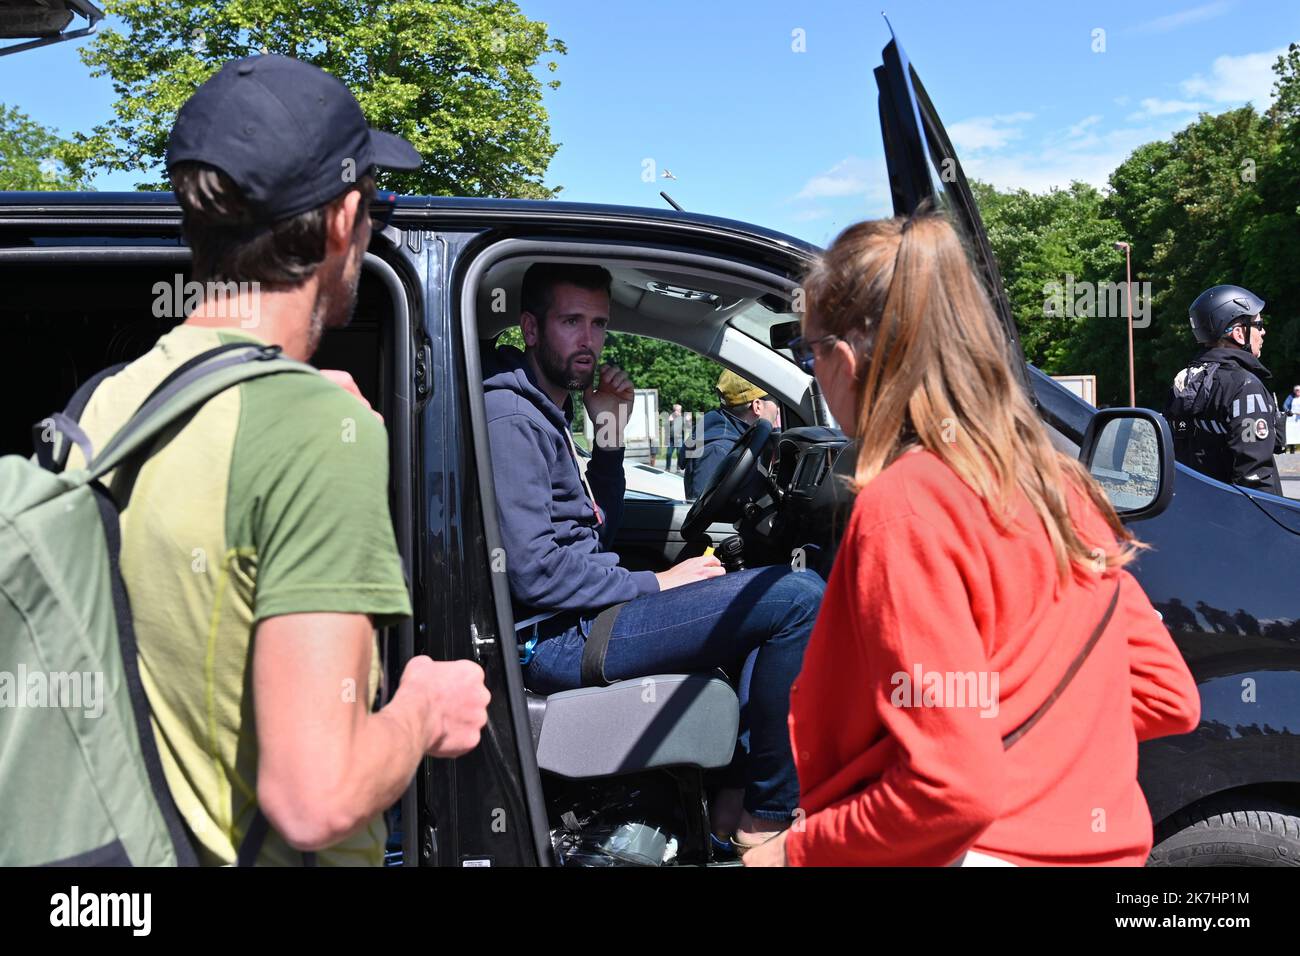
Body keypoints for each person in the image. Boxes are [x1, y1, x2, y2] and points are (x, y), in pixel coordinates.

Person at [66, 55, 489, 865]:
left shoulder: (102, 408)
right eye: (373, 206)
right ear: (339, 222)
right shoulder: (310, 431)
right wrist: (423, 713)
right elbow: (314, 798)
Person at [743, 213, 1200, 867]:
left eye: (807, 349)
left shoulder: (905, 508)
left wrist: (797, 851)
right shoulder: (1059, 487)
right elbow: (1167, 697)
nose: (812, 370)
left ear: (845, 359)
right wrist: (1044, 766)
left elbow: (952, 789)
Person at [483, 262, 825, 852]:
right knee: (795, 598)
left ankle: (728, 805)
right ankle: (765, 818)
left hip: (576, 621)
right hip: (554, 639)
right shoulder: (511, 416)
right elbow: (536, 570)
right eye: (571, 321)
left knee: (757, 601)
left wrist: (608, 438)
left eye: (598, 323)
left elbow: (591, 534)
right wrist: (657, 585)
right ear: (532, 329)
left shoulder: (544, 406)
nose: (589, 339)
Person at [1164, 285, 1285, 494]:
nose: (1263, 331)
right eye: (1258, 324)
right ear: (1239, 333)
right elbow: (1254, 475)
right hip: (1240, 518)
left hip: (1194, 507)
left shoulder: (1185, 380)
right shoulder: (1245, 386)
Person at [683, 370, 781, 498]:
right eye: (776, 401)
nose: (778, 409)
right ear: (757, 406)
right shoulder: (717, 450)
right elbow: (705, 511)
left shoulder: (736, 437)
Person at [664, 403, 686, 471]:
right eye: (677, 410)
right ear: (674, 411)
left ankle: (678, 467)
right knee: (668, 453)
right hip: (671, 439)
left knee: (679, 453)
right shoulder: (670, 418)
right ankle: (668, 468)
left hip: (679, 439)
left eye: (680, 410)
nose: (679, 412)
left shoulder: (682, 418)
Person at [1284, 385, 1300, 454]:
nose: (1298, 391)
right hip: (1292, 418)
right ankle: (1292, 448)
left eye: (1299, 390)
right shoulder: (1290, 397)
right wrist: (1288, 411)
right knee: (1291, 433)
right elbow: (1285, 405)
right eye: (1296, 390)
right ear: (1294, 391)